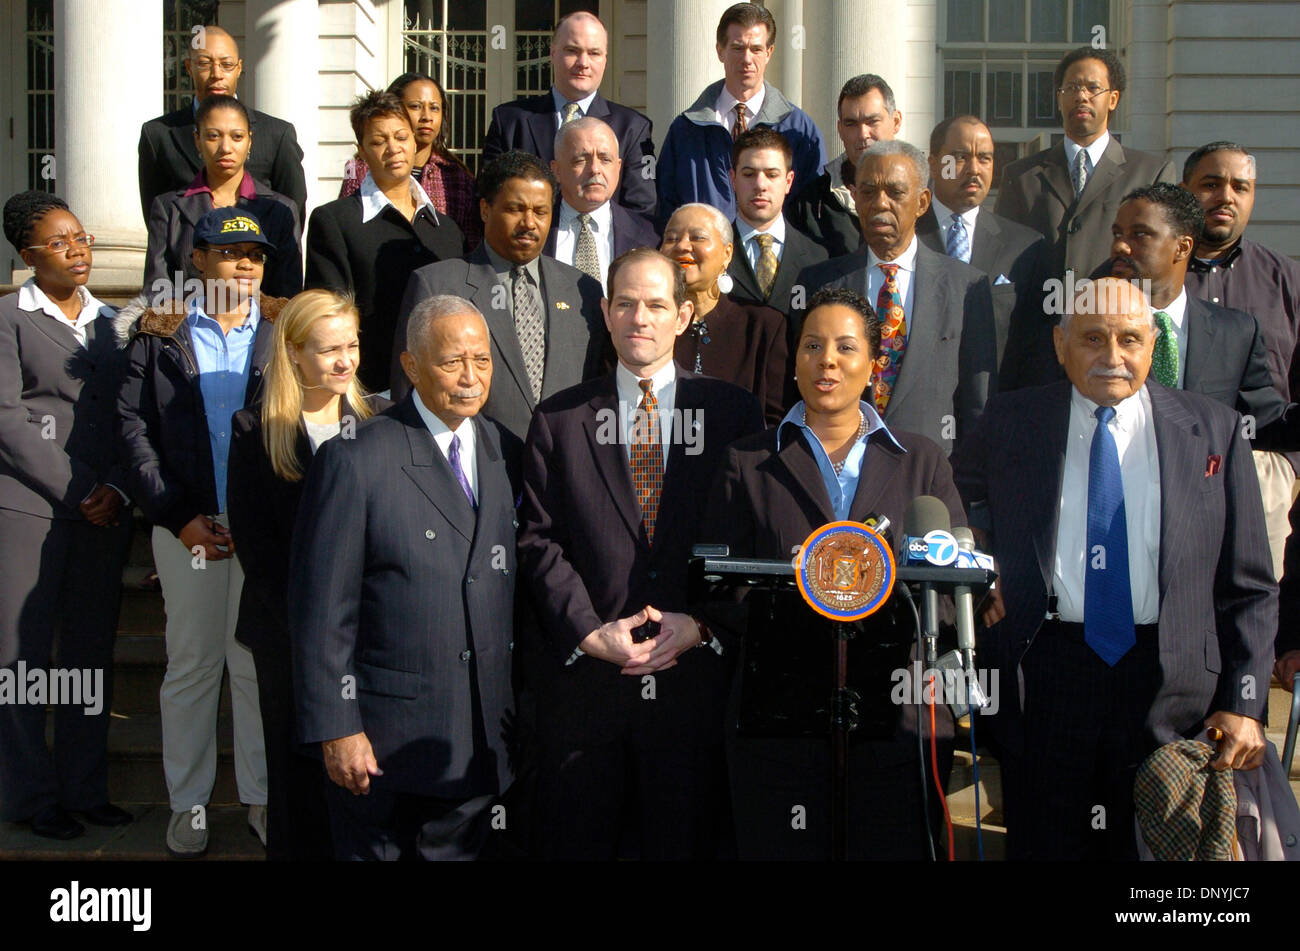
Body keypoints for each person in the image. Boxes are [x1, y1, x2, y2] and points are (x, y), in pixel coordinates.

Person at [951, 277, 1275, 861]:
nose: (1112, 357)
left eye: (1130, 339)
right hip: (1043, 677)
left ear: (1153, 344)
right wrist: (980, 570)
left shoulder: (1215, 430)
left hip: (1172, 688)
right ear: (1059, 344)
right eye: (1093, 338)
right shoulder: (1009, 421)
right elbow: (952, 510)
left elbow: (1249, 584)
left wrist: (1245, 702)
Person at [700, 286, 965, 859]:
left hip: (898, 719)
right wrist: (798, 598)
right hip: (779, 718)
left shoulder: (921, 461)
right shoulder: (747, 461)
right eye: (812, 346)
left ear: (873, 364)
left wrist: (876, 598)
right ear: (793, 361)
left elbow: (949, 593)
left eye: (846, 348)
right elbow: (716, 584)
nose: (828, 361)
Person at [517, 248, 764, 860]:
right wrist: (588, 632)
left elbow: (750, 539)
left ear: (683, 316)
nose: (639, 318)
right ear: (604, 312)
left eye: (656, 304)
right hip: (590, 690)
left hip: (695, 685)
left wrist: (704, 623)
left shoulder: (733, 414)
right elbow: (538, 540)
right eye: (625, 303)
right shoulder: (559, 419)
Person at [289, 295, 520, 861]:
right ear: (411, 367)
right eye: (451, 362)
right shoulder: (355, 458)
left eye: (482, 360)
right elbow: (321, 609)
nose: (471, 378)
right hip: (381, 750)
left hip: (479, 744)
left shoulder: (505, 449)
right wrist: (337, 728)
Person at [116, 207, 281, 858]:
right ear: (199, 259)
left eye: (256, 255)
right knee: (192, 665)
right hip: (188, 523)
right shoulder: (160, 330)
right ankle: (188, 803)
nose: (245, 264)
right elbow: (132, 431)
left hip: (263, 525)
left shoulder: (283, 325)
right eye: (230, 251)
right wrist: (176, 515)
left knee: (255, 666)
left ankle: (262, 799)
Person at [227, 289, 390, 861]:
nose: (345, 361)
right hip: (287, 639)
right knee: (298, 782)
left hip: (371, 638)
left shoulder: (384, 424)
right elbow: (257, 547)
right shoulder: (254, 429)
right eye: (328, 351)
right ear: (293, 353)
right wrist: (311, 632)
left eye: (352, 346)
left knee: (365, 779)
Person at [0, 192, 132, 839]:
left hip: (104, 513)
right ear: (27, 256)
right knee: (23, 658)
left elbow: (130, 416)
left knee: (87, 651)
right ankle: (31, 794)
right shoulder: (7, 320)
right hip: (28, 507)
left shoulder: (113, 323)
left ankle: (84, 786)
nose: (78, 249)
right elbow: (7, 420)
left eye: (81, 238)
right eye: (60, 242)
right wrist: (77, 486)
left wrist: (116, 488)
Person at [796, 141, 997, 454]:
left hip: (930, 484)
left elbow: (978, 403)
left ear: (922, 202)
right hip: (839, 475)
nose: (880, 203)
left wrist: (962, 489)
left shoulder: (966, 287)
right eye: (868, 191)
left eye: (895, 192)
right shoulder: (820, 283)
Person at [391, 150, 607, 440]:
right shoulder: (436, 285)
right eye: (515, 209)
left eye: (540, 212)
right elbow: (406, 394)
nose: (529, 223)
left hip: (564, 471)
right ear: (485, 209)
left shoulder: (584, 290)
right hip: (475, 471)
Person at [1182, 141, 1300, 584]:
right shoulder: (1145, 277)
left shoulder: (1286, 280)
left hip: (1263, 470)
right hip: (1171, 469)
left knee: (1251, 613)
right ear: (1185, 190)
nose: (1225, 196)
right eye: (1210, 184)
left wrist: (1289, 470)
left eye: (1240, 186)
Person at [305, 91, 464, 393]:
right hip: (370, 391)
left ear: (415, 142)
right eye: (379, 142)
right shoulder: (335, 221)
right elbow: (327, 317)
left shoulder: (447, 230)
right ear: (361, 152)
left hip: (441, 390)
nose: (393, 149)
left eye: (401, 137)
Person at [1104, 184, 1288, 436]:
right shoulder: (1085, 324)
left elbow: (1263, 421)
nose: (1120, 247)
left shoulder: (1235, 334)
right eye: (1117, 234)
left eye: (1139, 234)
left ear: (1182, 247)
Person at [994, 46, 1176, 282]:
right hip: (1041, 314)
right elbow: (1004, 256)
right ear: (1059, 99)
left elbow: (1160, 258)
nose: (1081, 96)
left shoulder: (1151, 173)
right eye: (1071, 88)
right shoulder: (1021, 176)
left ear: (1113, 99)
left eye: (1093, 88)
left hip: (1116, 312)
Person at [656, 3, 825, 226]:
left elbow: (813, 212)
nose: (747, 59)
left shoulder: (799, 129)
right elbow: (666, 207)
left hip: (775, 257)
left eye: (755, 49)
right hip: (705, 256)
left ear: (769, 53)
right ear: (720, 51)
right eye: (737, 48)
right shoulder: (686, 130)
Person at [483, 12, 656, 221]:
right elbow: (489, 196)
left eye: (594, 53)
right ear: (553, 53)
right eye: (572, 51)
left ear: (605, 59)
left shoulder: (633, 127)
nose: (583, 62)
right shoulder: (509, 122)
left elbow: (641, 211)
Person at [919, 115, 1049, 389]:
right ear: (933, 164)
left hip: (996, 412)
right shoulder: (904, 238)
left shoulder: (1025, 247)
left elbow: (1035, 347)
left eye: (985, 158)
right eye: (961, 157)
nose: (974, 169)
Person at [138, 25, 306, 221]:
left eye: (226, 64)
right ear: (188, 68)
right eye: (204, 63)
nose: (216, 74)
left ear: (239, 68)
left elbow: (292, 214)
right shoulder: (158, 135)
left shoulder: (277, 134)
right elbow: (155, 218)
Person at [144, 95, 302, 300]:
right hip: (186, 327)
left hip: (261, 328)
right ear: (197, 141)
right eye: (213, 136)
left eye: (237, 137)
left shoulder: (281, 209)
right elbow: (156, 291)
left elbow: (287, 294)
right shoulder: (168, 207)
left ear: (250, 141)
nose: (225, 148)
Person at [662, 203, 788, 426]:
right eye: (671, 238)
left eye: (698, 237)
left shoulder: (763, 326)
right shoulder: (646, 323)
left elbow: (775, 420)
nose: (682, 246)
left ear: (727, 253)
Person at [338, 72, 481, 250]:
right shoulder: (359, 168)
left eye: (435, 108)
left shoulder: (457, 177)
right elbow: (346, 226)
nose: (427, 116)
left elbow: (470, 245)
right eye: (415, 106)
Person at [788, 74, 901, 259]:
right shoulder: (810, 204)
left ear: (896, 122)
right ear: (840, 129)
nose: (863, 134)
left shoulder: (923, 192)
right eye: (851, 124)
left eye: (872, 121)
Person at [725, 128, 828, 323]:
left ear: (788, 182)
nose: (760, 185)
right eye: (748, 174)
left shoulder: (818, 258)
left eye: (772, 175)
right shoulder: (711, 253)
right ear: (733, 179)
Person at [543, 117, 657, 288]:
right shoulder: (535, 230)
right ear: (556, 170)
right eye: (581, 160)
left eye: (605, 159)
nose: (595, 169)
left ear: (618, 167)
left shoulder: (652, 236)